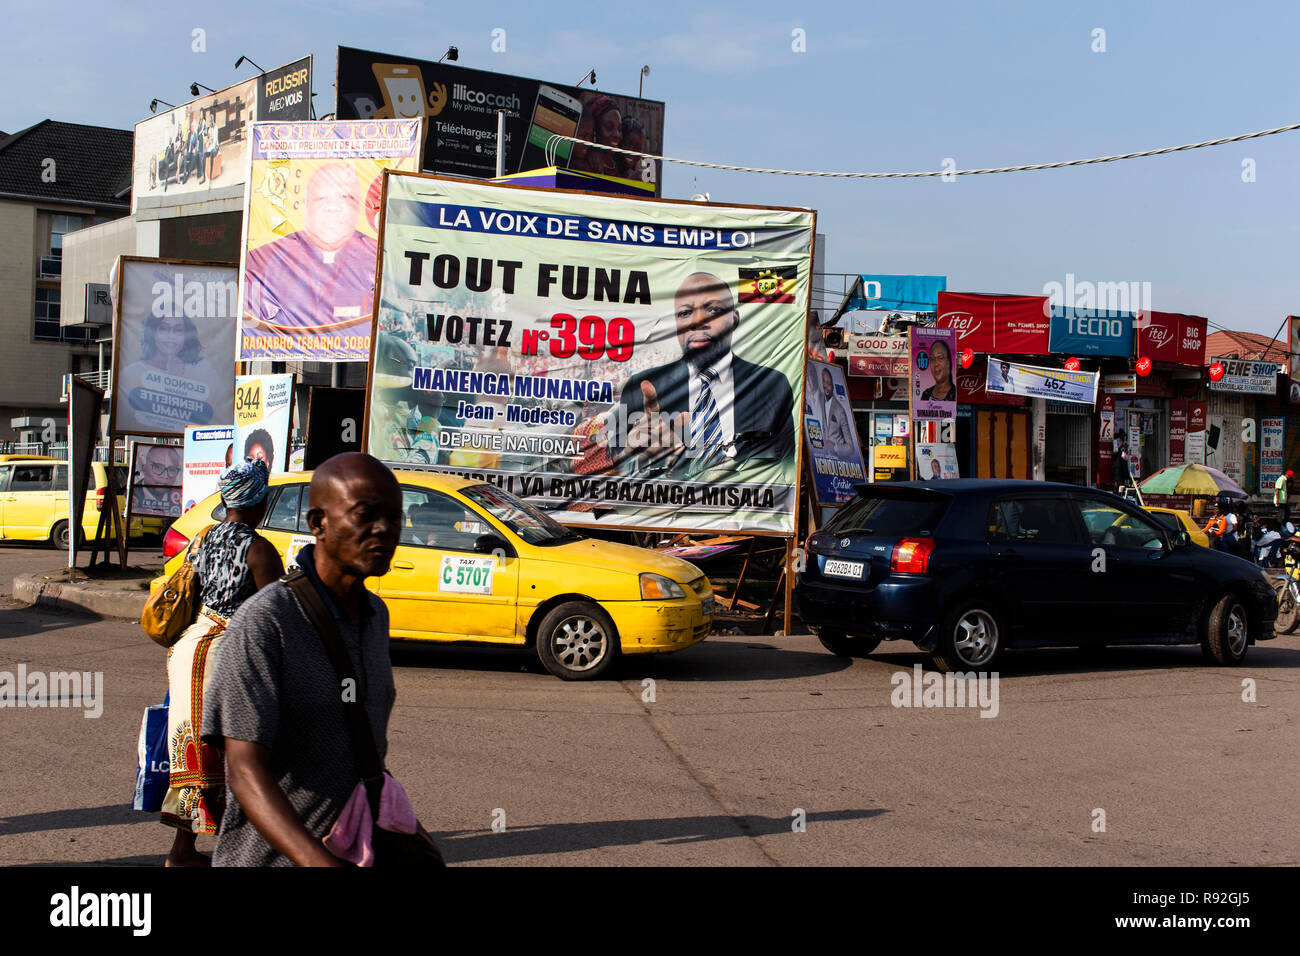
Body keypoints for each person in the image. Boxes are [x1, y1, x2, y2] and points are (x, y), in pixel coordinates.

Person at [201, 453, 441, 866]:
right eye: (365, 515)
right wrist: (315, 861)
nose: (384, 531)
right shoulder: (265, 622)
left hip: (354, 846)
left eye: (394, 517)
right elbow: (243, 771)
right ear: (318, 524)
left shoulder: (374, 615)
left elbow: (362, 743)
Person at [161, 458, 283, 866]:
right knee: (242, 753)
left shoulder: (202, 538)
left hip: (189, 648)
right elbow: (273, 615)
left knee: (193, 753)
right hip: (225, 656)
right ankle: (229, 850)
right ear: (258, 502)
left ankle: (183, 852)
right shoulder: (259, 550)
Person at [611, 271, 795, 476]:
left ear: (734, 319)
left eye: (714, 310)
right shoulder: (641, 386)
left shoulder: (771, 385)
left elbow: (785, 468)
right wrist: (634, 456)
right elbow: (614, 471)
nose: (698, 321)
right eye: (685, 313)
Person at [242, 162, 379, 344]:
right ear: (305, 205)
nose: (333, 207)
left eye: (346, 198)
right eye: (322, 199)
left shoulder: (381, 260)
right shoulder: (264, 260)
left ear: (358, 207)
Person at [117, 311, 226, 433]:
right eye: (163, 329)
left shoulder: (203, 369)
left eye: (178, 330)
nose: (171, 336)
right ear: (152, 333)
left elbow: (221, 412)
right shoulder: (131, 373)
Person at [133, 444, 182, 516]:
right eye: (158, 467)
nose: (165, 476)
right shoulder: (133, 493)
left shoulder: (180, 498)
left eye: (172, 469)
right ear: (144, 468)